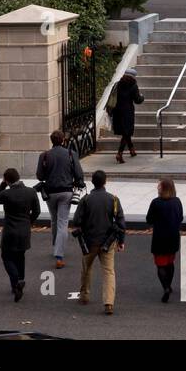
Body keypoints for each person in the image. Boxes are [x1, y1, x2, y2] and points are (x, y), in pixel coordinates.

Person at [72, 169, 126, 315]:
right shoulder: (113, 199)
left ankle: (84, 295)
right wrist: (121, 240)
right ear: (105, 182)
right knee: (108, 271)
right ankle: (108, 302)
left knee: (86, 268)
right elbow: (121, 222)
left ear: (93, 182)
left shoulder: (86, 200)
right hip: (107, 242)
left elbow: (77, 220)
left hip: (89, 241)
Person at [36, 129, 85, 269]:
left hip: (50, 193)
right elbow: (79, 174)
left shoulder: (44, 155)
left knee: (54, 219)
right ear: (63, 140)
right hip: (66, 191)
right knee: (63, 222)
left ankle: (55, 245)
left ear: (52, 141)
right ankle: (59, 255)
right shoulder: (71, 154)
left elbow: (40, 176)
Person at [0, 168, 41, 302]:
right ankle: (19, 281)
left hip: (10, 230)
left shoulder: (7, 194)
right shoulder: (31, 192)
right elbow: (36, 211)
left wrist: (2, 184)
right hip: (24, 230)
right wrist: (28, 222)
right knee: (20, 256)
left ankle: (16, 281)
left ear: (7, 180)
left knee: (6, 256)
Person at [145, 178, 183, 303]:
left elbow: (149, 219)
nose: (157, 188)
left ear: (163, 188)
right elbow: (181, 217)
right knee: (170, 262)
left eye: (159, 186)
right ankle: (169, 285)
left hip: (159, 238)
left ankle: (165, 287)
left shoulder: (156, 203)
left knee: (160, 264)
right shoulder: (177, 202)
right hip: (173, 237)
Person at [112, 68, 143, 163]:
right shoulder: (133, 85)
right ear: (133, 76)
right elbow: (137, 100)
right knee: (127, 132)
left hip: (117, 111)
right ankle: (119, 153)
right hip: (127, 112)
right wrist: (142, 97)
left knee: (126, 132)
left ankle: (132, 150)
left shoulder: (117, 84)